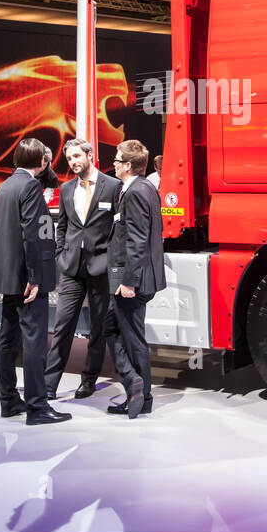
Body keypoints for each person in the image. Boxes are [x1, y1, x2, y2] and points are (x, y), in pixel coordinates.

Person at [0, 138, 70, 426]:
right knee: (35, 342)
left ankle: (9, 401)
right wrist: (36, 278)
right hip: (27, 278)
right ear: (41, 161)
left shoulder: (4, 187)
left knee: (7, 339)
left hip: (8, 275)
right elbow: (34, 235)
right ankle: (38, 407)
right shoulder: (29, 187)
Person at [44, 138, 121, 401]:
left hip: (101, 268)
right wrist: (60, 254)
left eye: (77, 156)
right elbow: (62, 227)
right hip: (71, 268)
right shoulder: (66, 190)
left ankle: (88, 381)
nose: (73, 162)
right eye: (69, 159)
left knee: (98, 328)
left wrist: (113, 261)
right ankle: (49, 384)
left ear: (89, 155)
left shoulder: (113, 187)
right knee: (62, 326)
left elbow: (118, 228)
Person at [105, 139, 166, 418]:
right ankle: (141, 397)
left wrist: (129, 280)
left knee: (131, 338)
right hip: (136, 276)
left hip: (133, 279)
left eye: (117, 160)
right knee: (124, 334)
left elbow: (138, 240)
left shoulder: (136, 192)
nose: (114, 164)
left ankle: (138, 391)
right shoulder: (141, 188)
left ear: (128, 165)